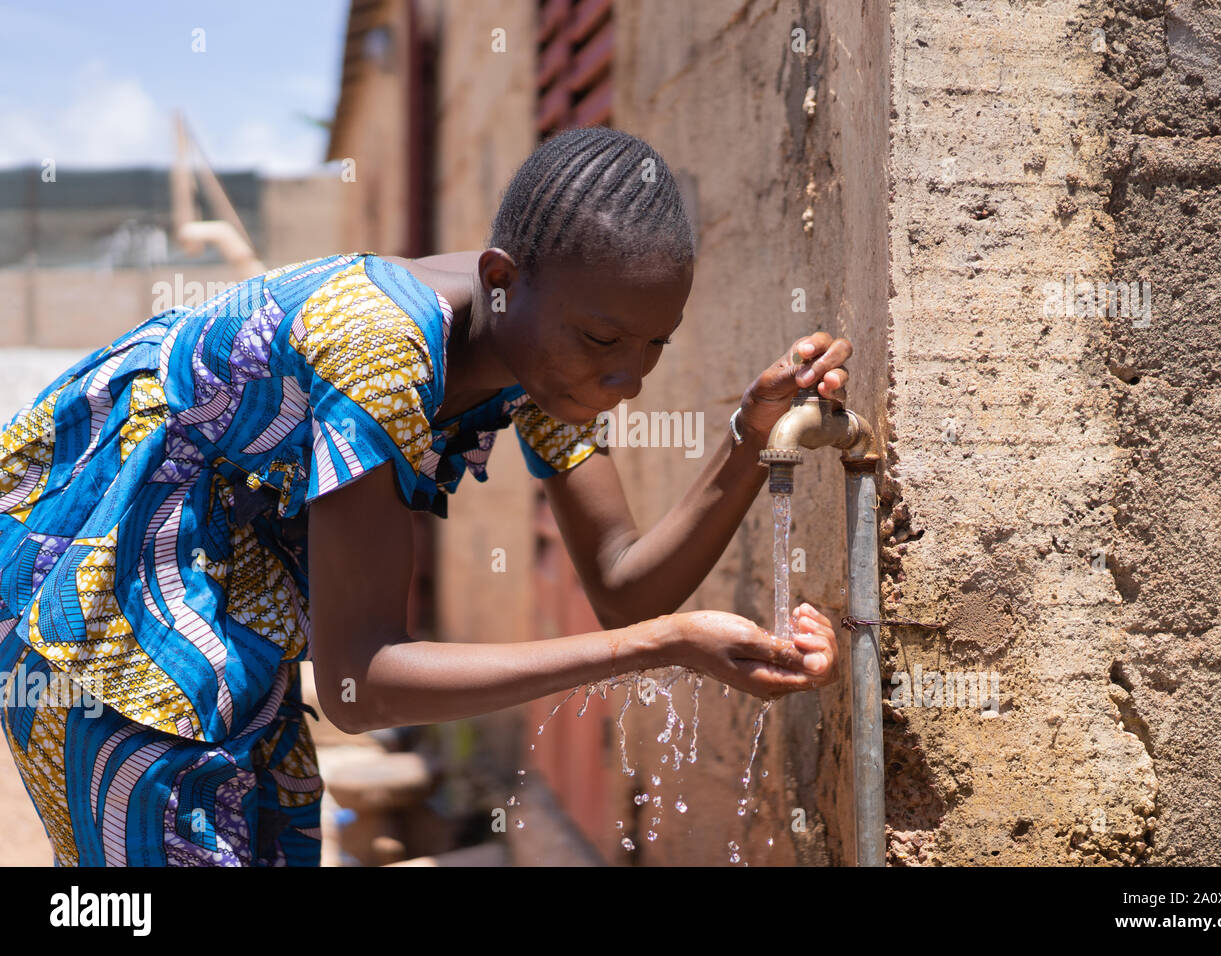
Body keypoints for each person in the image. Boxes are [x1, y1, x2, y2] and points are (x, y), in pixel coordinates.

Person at [0, 126, 850, 867]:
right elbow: (361, 686)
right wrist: (658, 648)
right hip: (97, 592)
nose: (628, 379)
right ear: (502, 277)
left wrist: (750, 437)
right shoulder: (379, 346)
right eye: (602, 340)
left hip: (231, 603)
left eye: (654, 344)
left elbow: (626, 583)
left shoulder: (533, 361)